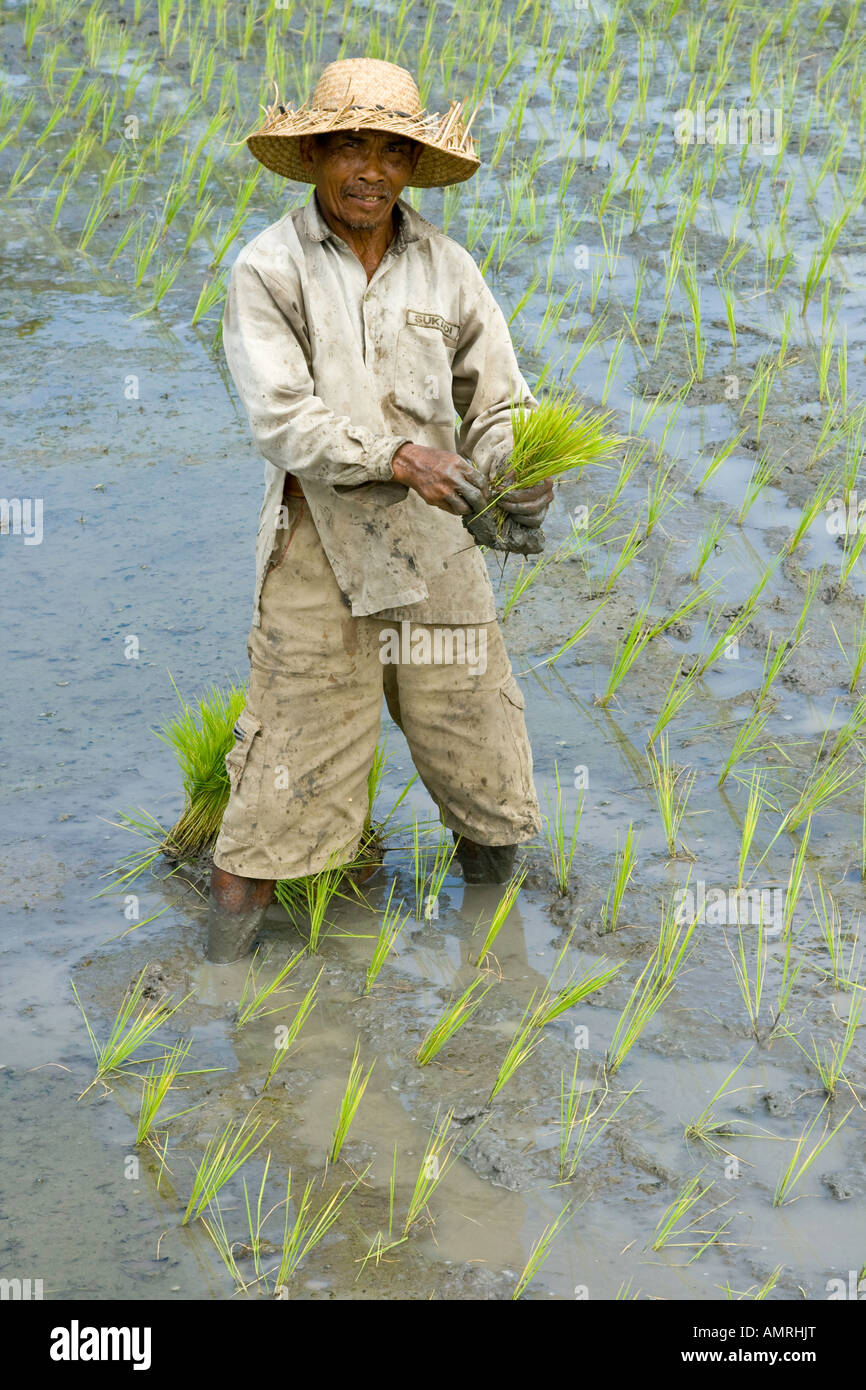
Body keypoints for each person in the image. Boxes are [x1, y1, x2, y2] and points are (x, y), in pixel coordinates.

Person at [207, 57, 553, 962]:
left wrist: (521, 472)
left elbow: (500, 404)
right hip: (319, 552)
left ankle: (503, 969)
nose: (371, 169)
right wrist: (399, 457)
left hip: (439, 553)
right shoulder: (269, 269)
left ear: (411, 165)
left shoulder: (447, 268)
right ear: (317, 152)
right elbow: (282, 419)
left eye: (392, 151)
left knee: (483, 770)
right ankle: (221, 986)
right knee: (280, 792)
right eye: (350, 146)